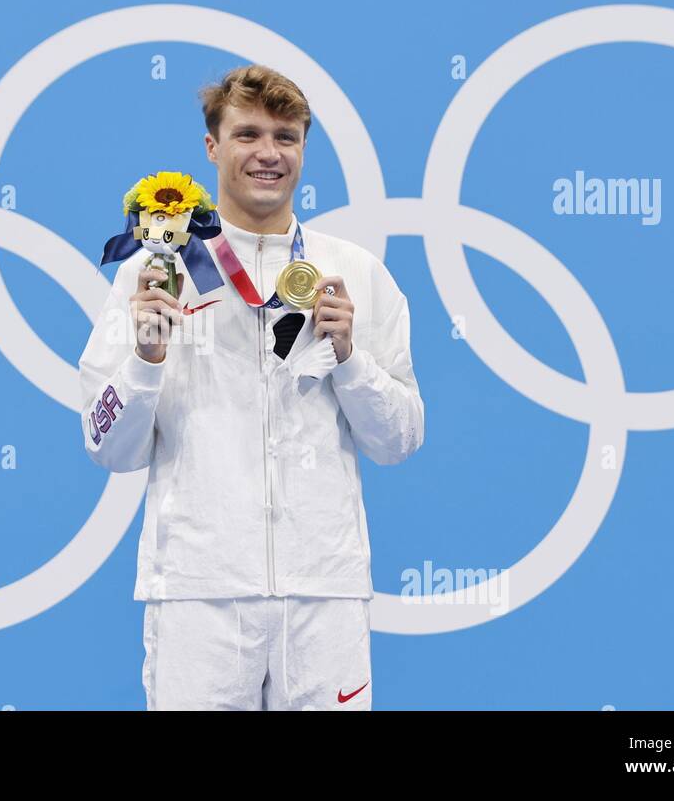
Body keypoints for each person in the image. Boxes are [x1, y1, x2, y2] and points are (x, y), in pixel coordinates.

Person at [77, 64, 425, 710]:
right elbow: (106, 445)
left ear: (303, 149)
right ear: (212, 147)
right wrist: (146, 361)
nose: (268, 154)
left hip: (324, 587)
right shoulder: (154, 270)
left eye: (286, 137)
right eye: (248, 135)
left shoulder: (356, 273)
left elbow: (399, 440)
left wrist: (349, 359)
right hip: (199, 589)